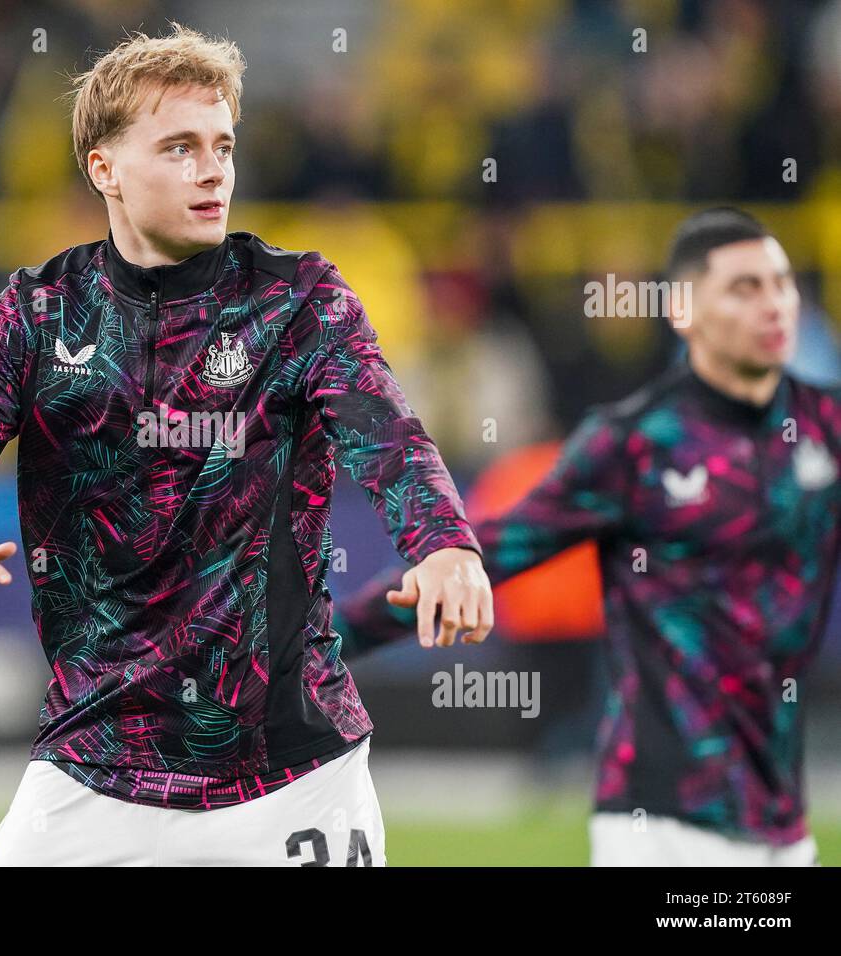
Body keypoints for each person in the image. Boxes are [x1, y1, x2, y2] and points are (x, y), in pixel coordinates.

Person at [0, 22, 492, 866]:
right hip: (92, 768)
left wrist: (444, 545)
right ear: (105, 169)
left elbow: (389, 440)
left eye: (223, 146)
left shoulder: (300, 300)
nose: (212, 170)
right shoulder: (35, 315)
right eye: (179, 147)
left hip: (289, 770)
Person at [335, 207, 836, 866]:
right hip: (659, 823)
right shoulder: (634, 442)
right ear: (684, 313)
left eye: (781, 284)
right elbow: (490, 552)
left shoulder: (823, 427)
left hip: (782, 825)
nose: (773, 305)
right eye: (744, 288)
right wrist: (322, 641)